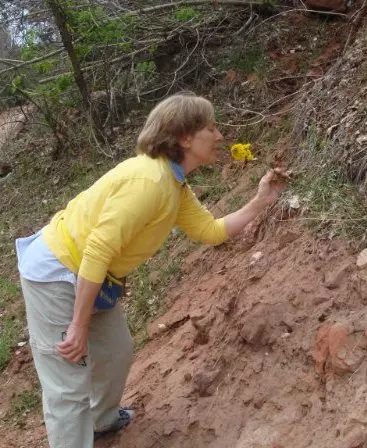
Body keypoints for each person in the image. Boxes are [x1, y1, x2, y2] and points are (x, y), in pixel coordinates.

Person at [16, 93, 284, 447]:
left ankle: (101, 422)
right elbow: (98, 249)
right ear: (185, 138)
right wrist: (78, 325)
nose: (220, 135)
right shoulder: (149, 182)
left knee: (116, 353)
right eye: (211, 128)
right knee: (68, 384)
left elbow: (210, 231)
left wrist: (262, 199)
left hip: (92, 277)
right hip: (56, 272)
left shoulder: (173, 185)